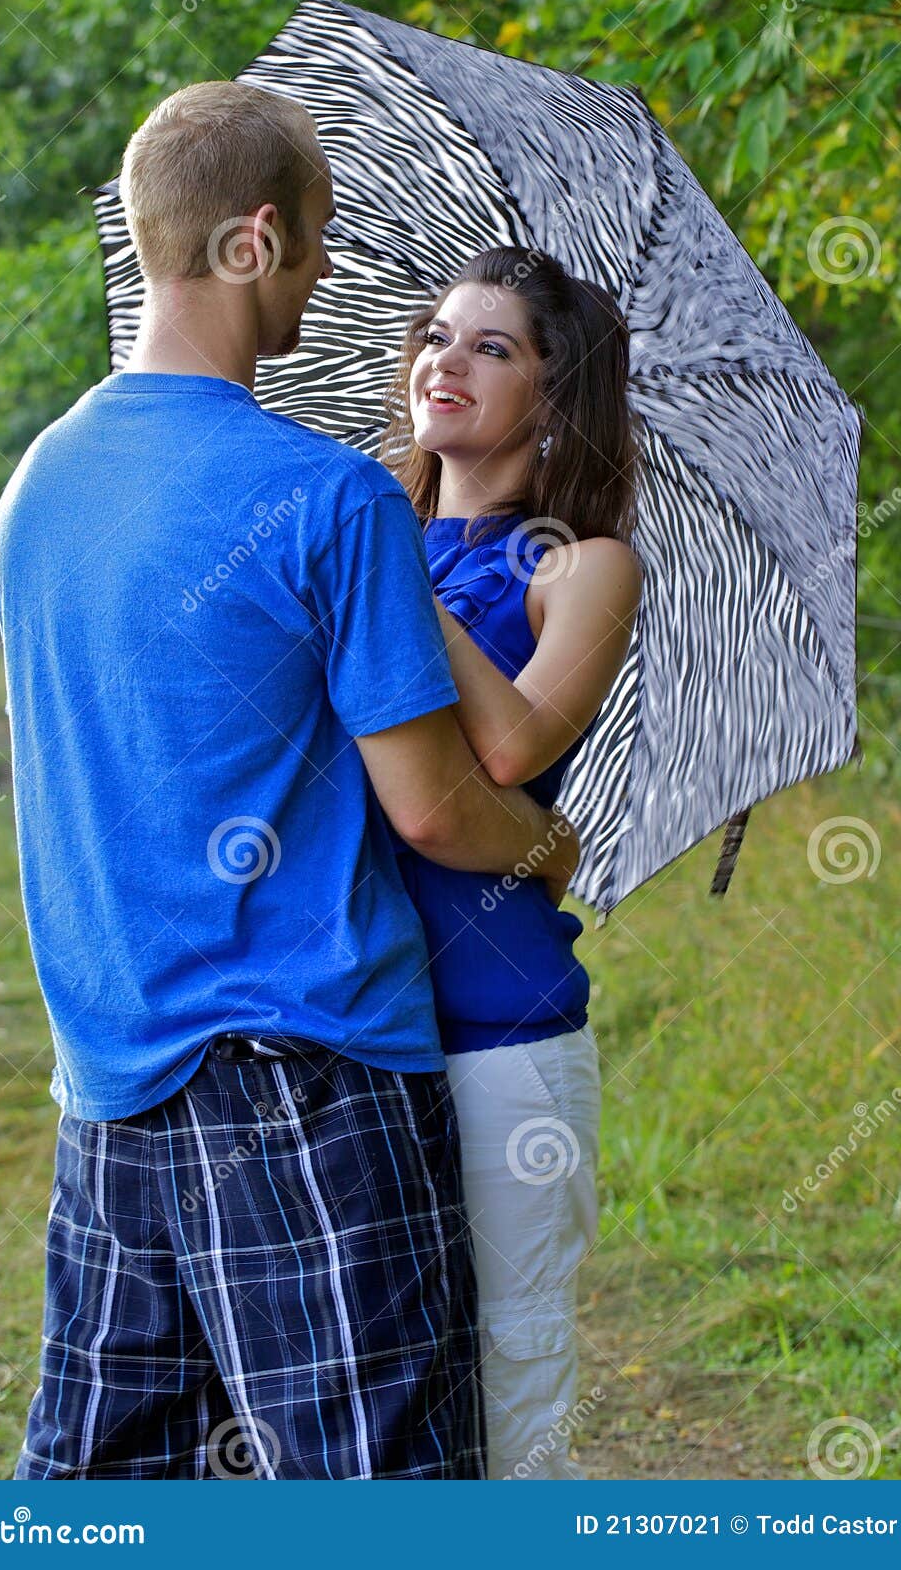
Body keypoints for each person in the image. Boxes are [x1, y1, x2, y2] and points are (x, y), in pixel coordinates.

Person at [0, 82, 581, 1479]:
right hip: (305, 1080)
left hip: (109, 1078)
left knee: (107, 1487)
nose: (320, 282)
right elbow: (435, 803)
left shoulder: (34, 490)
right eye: (312, 246)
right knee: (374, 1492)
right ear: (253, 244)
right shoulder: (331, 499)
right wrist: (546, 848)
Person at [379, 246, 643, 1479]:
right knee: (373, 1381)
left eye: (494, 348)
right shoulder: (360, 538)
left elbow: (515, 742)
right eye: (437, 334)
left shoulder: (580, 569)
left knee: (509, 1377)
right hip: (344, 1025)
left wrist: (394, 578)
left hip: (500, 1034)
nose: (448, 359)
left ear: (555, 395)